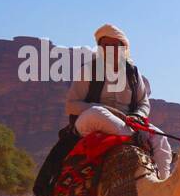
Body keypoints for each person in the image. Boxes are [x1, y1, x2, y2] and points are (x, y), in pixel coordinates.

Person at [65, 24, 172, 178]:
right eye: (106, 45)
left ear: (123, 48)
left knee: (160, 136)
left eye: (115, 45)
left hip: (129, 122)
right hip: (92, 122)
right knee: (97, 112)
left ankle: (163, 181)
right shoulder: (89, 70)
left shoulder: (133, 73)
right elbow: (71, 106)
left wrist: (138, 116)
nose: (111, 49)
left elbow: (143, 103)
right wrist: (103, 108)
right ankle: (134, 138)